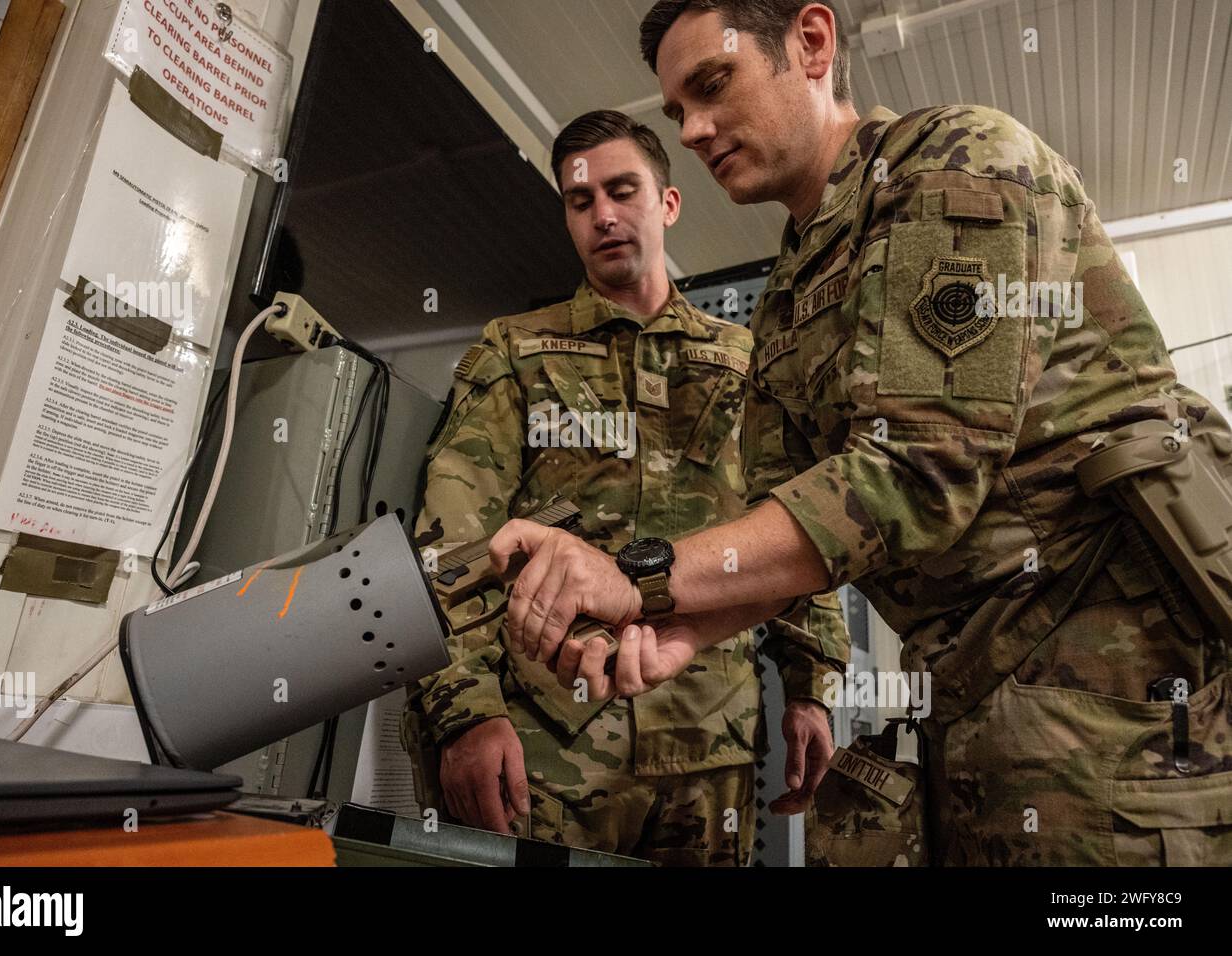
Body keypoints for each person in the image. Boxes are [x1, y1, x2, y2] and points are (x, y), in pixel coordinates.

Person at [489, 1, 1232, 865]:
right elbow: (800, 543)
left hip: (1119, 706)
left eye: (712, 85)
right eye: (678, 110)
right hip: (975, 702)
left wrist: (634, 578)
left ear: (811, 43)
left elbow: (922, 470)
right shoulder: (787, 294)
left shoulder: (958, 166)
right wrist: (680, 631)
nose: (693, 128)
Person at [407, 109, 841, 865]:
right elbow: (451, 545)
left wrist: (813, 686)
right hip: (549, 747)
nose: (603, 214)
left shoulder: (749, 361)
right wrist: (463, 714)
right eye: (581, 202)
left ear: (667, 204)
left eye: (622, 190)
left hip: (712, 742)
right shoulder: (516, 351)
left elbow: (799, 521)